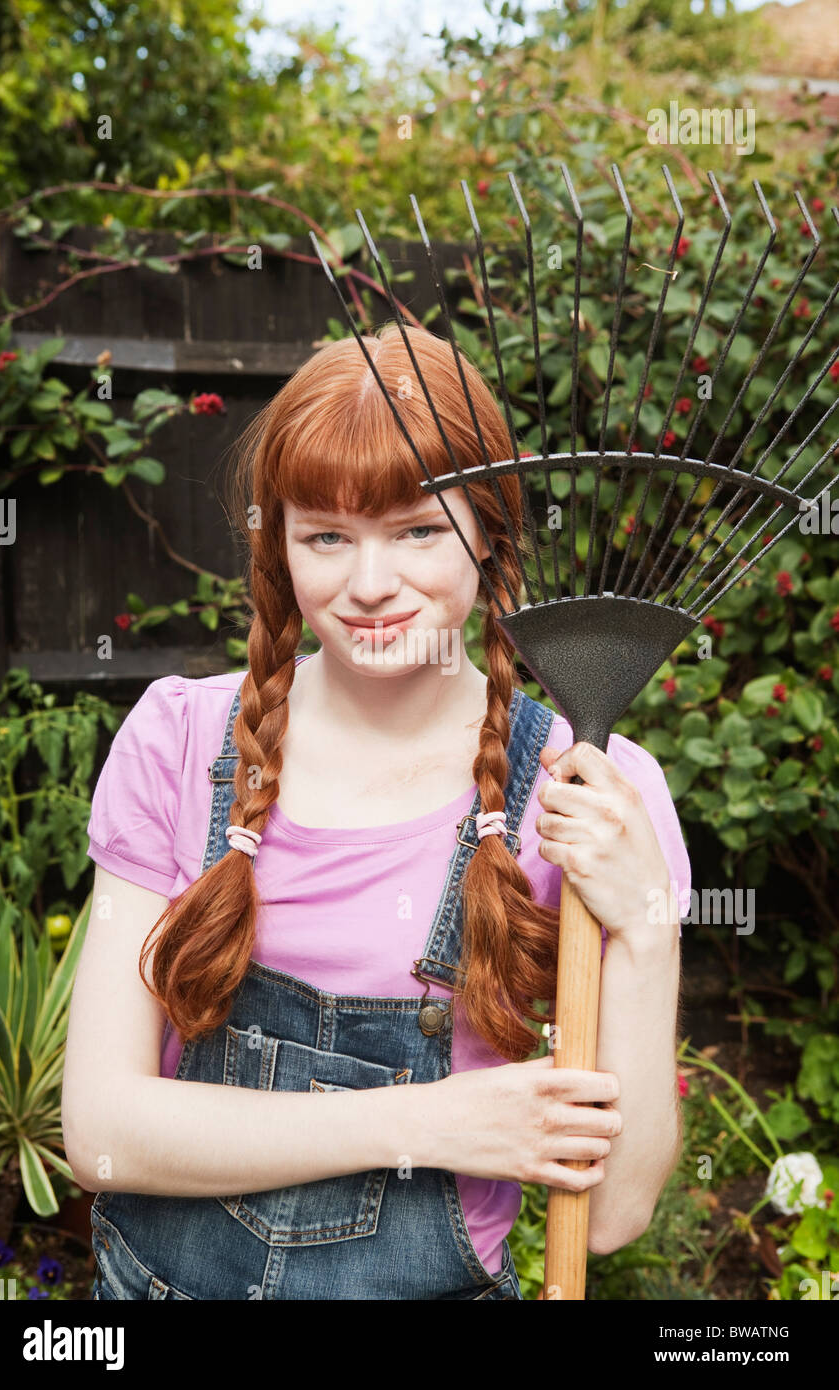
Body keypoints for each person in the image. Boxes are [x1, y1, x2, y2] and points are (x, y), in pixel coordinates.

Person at [61, 324, 689, 1301]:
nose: (366, 586)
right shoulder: (180, 743)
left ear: (490, 532)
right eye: (324, 536)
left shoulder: (587, 791)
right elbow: (101, 1137)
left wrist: (646, 931)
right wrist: (425, 1123)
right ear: (280, 543)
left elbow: (610, 1218)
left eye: (416, 531)